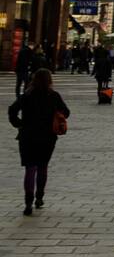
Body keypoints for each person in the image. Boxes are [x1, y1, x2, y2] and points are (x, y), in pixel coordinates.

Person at [8, 67, 69, 215]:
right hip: (47, 136)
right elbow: (66, 112)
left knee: (30, 168)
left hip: (27, 135)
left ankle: (28, 202)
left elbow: (12, 110)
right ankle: (39, 197)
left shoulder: (27, 95)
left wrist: (19, 123)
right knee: (42, 167)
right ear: (49, 81)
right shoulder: (53, 95)